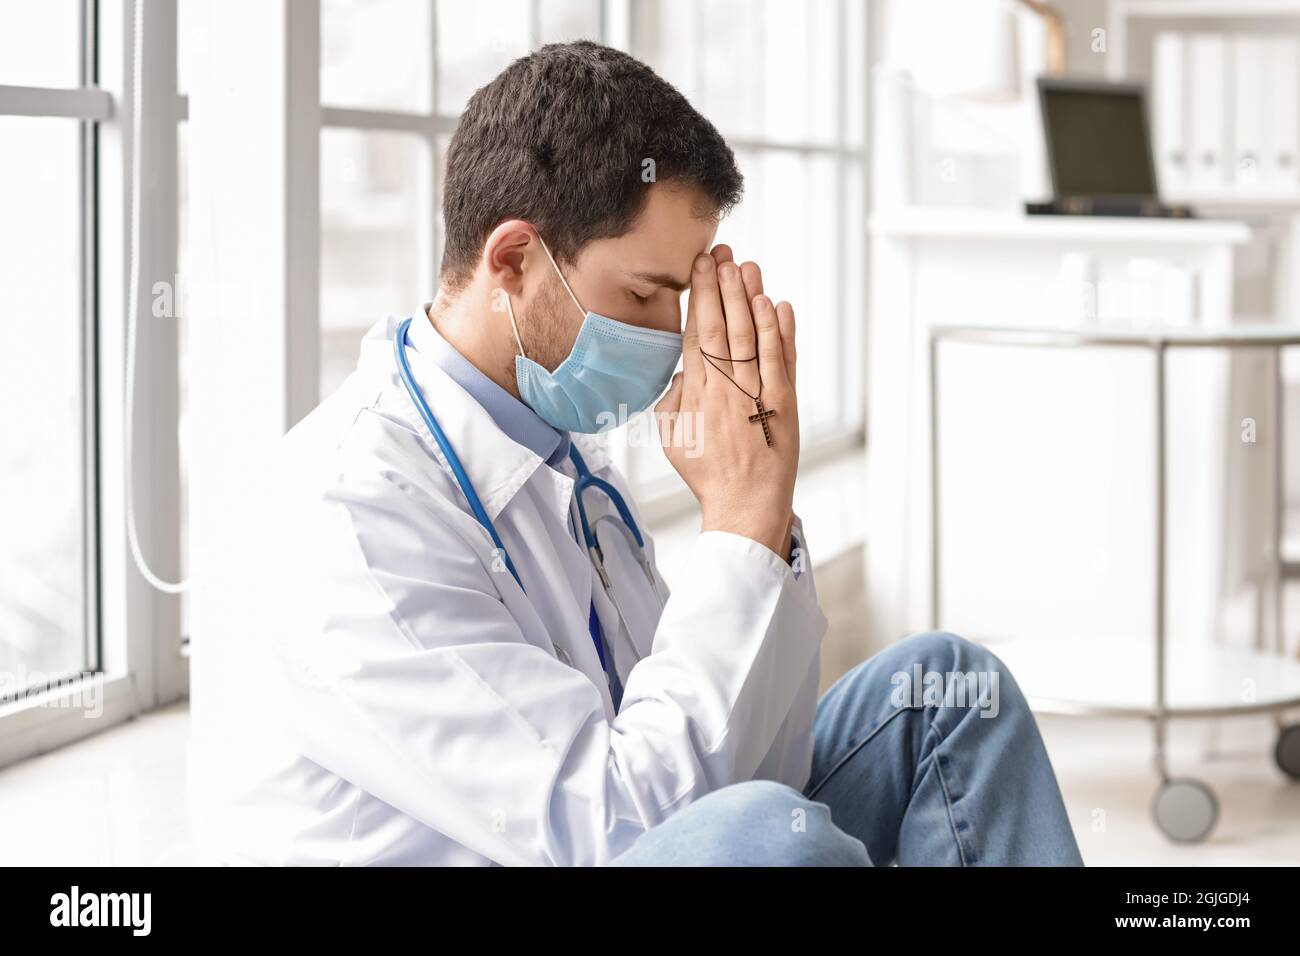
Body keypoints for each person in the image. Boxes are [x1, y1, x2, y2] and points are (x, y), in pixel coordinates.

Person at [198, 40, 1083, 867]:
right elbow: (614, 828)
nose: (677, 339)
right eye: (646, 294)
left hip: (626, 828)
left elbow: (743, 763)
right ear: (513, 260)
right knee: (768, 843)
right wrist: (736, 529)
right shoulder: (352, 513)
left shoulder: (568, 464)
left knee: (947, 694)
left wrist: (762, 525)